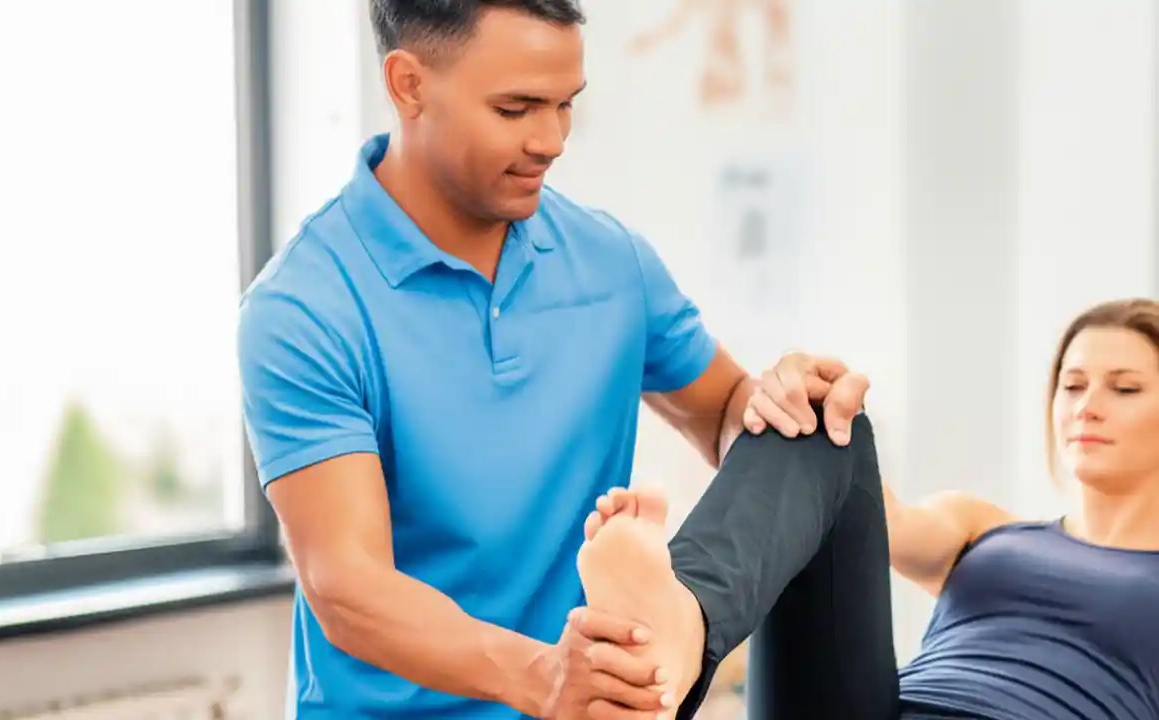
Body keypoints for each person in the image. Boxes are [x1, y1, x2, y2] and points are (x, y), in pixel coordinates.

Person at [236, 1, 870, 718]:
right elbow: (348, 588)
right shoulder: (305, 307)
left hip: (592, 702)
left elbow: (723, 412)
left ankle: (685, 625)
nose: (552, 140)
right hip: (448, 704)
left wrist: (775, 400)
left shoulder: (612, 262)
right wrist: (543, 677)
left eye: (565, 105)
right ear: (408, 84)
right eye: (516, 109)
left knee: (817, 427)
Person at [573, 297, 1159, 720]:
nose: (1087, 406)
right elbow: (858, 514)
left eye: (1125, 388)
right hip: (874, 708)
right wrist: (802, 390)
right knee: (822, 424)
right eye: (1073, 385)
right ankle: (682, 623)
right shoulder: (982, 526)